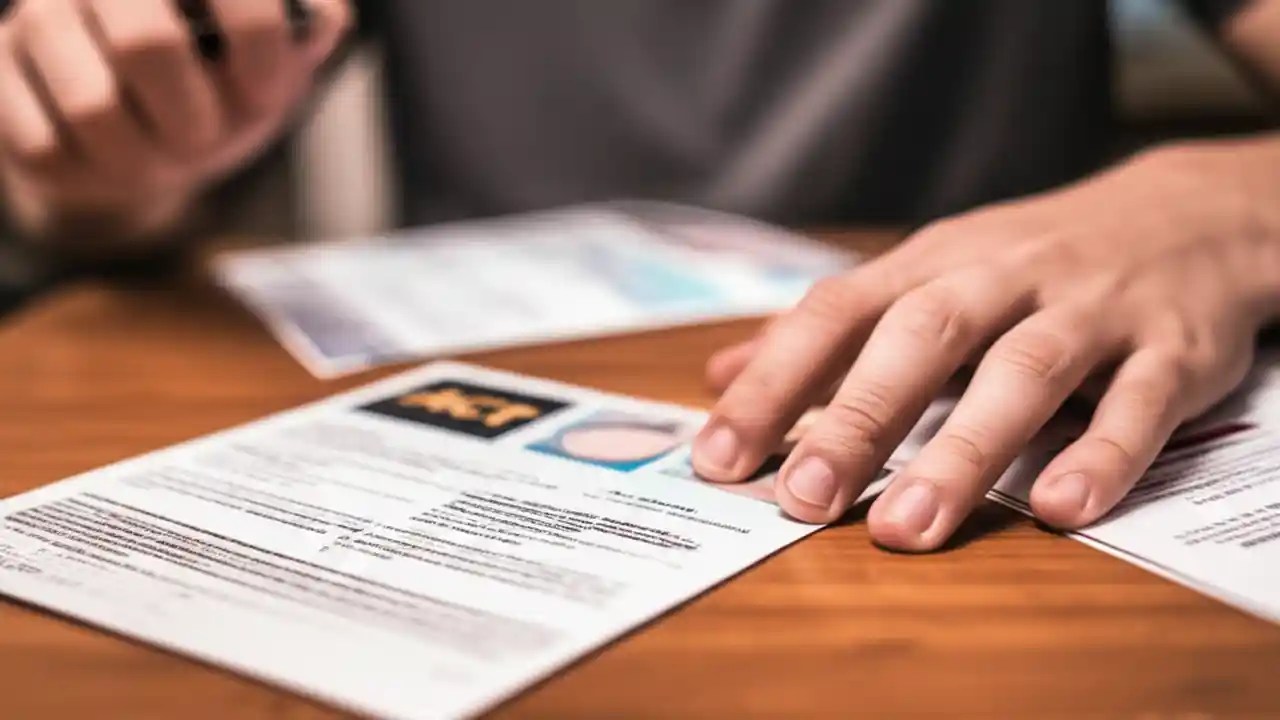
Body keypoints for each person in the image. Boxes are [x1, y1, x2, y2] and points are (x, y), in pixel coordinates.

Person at [0, 1, 1277, 552]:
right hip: (477, 422)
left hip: (999, 432)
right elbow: (118, 222)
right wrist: (101, 168)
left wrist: (1220, 202)